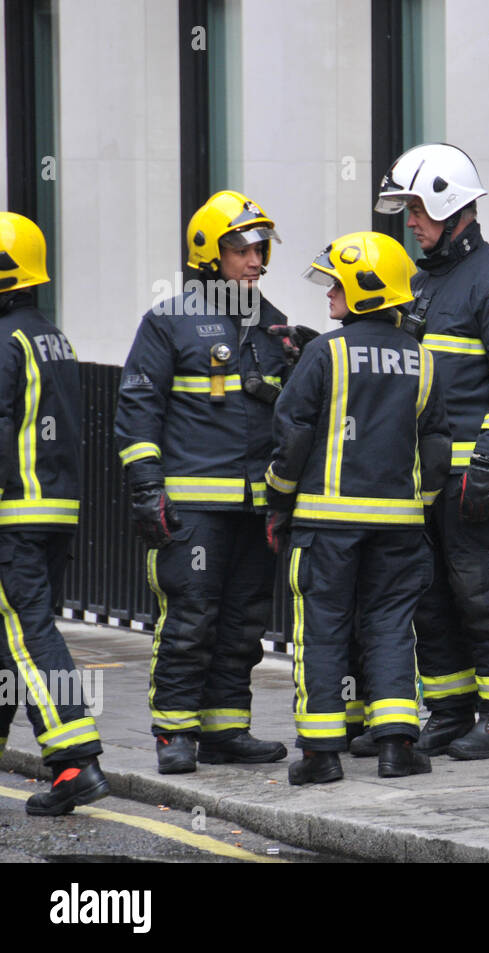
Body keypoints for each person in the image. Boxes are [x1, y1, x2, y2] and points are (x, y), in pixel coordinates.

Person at [264, 231, 451, 784]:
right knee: (392, 627)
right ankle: (396, 747)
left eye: (337, 285)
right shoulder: (422, 359)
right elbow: (436, 446)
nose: (329, 296)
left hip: (327, 524)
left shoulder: (326, 352)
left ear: (366, 290)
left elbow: (293, 433)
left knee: (321, 628)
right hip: (398, 526)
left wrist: (278, 493)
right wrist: (420, 503)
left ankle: (322, 755)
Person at [115, 190, 291, 774]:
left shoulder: (272, 325)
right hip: (191, 506)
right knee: (190, 619)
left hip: (254, 504)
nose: (256, 261)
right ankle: (174, 733)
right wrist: (146, 488)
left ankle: (224, 731)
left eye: (261, 249)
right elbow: (137, 408)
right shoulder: (168, 321)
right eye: (243, 249)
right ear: (208, 254)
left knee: (243, 623)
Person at [372, 143, 489, 760]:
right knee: (429, 594)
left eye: (416, 209)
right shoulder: (417, 282)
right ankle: (448, 709)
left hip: (473, 476)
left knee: (481, 592)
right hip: (421, 477)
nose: (410, 222)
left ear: (448, 203)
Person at [0, 212, 108, 815]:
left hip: (13, 513)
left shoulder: (3, 340)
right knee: (10, 638)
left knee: (30, 633)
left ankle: (75, 761)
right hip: (53, 512)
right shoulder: (51, 336)